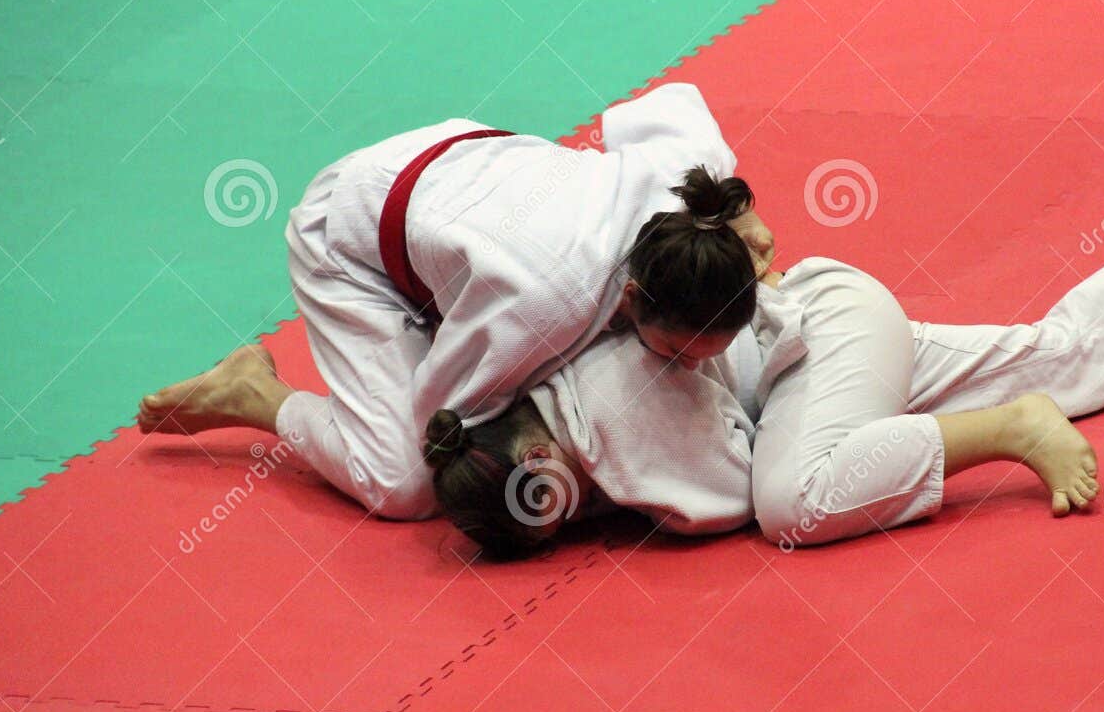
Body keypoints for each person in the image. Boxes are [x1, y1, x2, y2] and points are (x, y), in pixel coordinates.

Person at [423, 202, 1104, 555]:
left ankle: (1010, 432)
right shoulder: (534, 366)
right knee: (1055, 355)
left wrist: (623, 494)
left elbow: (727, 494)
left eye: (553, 508)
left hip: (820, 345)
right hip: (826, 327)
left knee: (794, 500)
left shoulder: (606, 422)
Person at [136, 83, 771, 520]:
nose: (686, 367)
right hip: (354, 240)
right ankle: (255, 395)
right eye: (675, 349)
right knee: (404, 485)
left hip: (465, 181)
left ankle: (456, 292)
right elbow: (440, 421)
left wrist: (742, 215)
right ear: (632, 294)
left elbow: (666, 102)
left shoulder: (698, 180)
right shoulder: (545, 308)